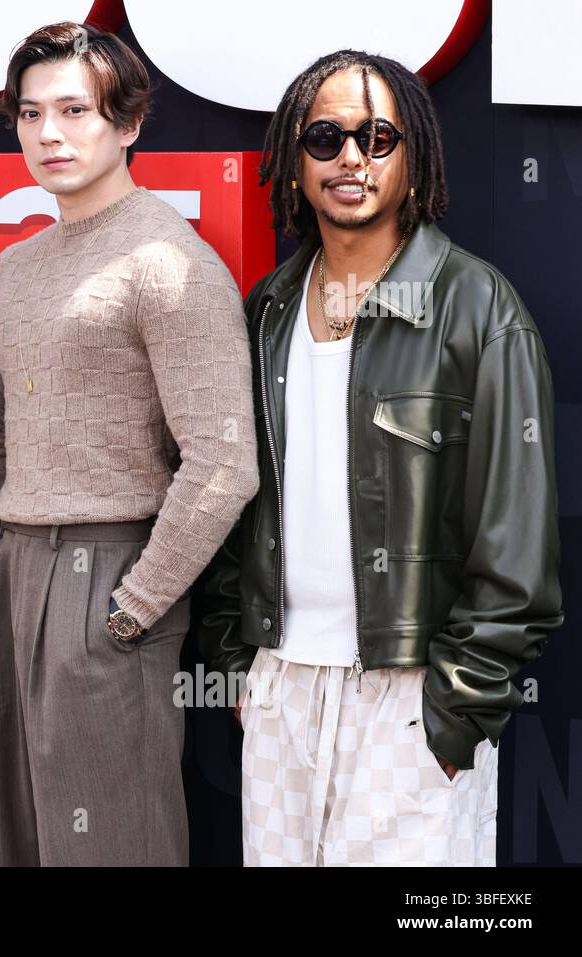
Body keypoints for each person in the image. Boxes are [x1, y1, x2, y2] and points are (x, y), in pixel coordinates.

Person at [196, 50, 563, 866]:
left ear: (414, 156)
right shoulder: (268, 312)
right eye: (325, 136)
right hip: (282, 686)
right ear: (295, 158)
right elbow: (231, 497)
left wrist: (453, 711)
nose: (351, 158)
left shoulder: (476, 307)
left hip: (411, 694)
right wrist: (240, 667)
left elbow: (517, 548)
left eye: (378, 136)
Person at [0, 22, 259, 866]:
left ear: (127, 124)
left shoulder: (169, 259)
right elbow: (15, 440)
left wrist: (131, 609)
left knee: (111, 845)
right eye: (29, 114)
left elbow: (223, 459)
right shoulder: (16, 268)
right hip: (12, 573)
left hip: (110, 571)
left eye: (73, 110)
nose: (48, 133)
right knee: (17, 838)